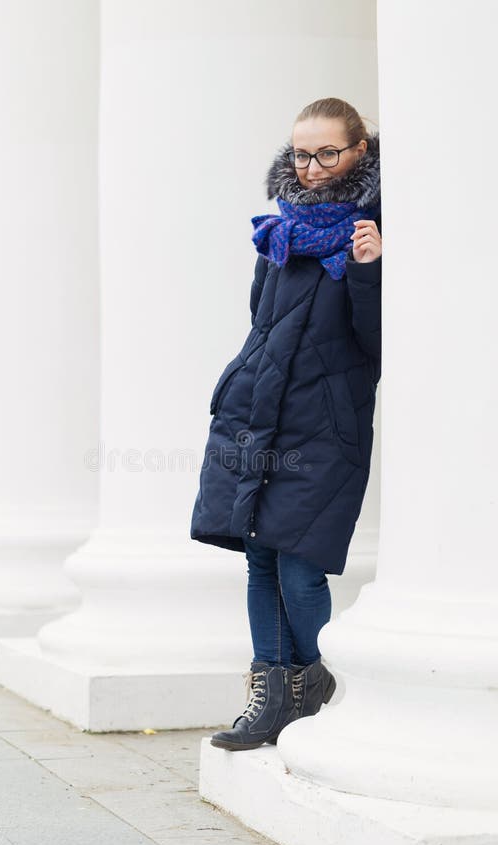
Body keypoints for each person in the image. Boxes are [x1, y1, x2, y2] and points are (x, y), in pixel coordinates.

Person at [189, 97, 382, 751]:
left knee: (299, 566)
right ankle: (274, 693)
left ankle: (307, 684)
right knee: (259, 557)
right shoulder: (279, 235)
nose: (313, 167)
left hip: (325, 426)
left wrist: (369, 271)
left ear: (359, 151)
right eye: (302, 153)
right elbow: (261, 325)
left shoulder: (374, 230)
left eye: (329, 152)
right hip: (259, 413)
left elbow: (379, 344)